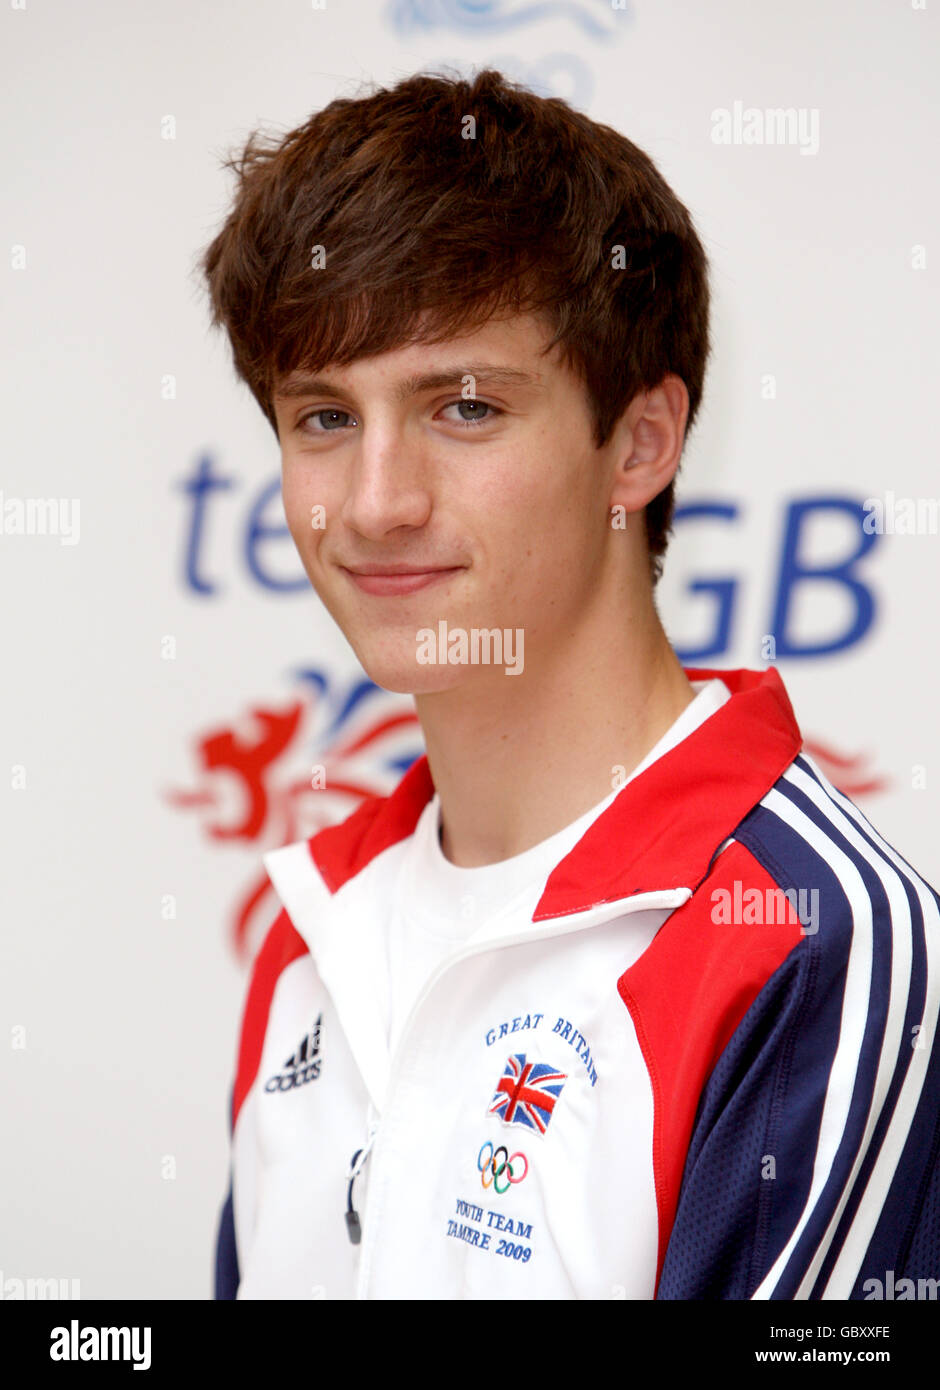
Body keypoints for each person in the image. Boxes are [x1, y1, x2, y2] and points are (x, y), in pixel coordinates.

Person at [199, 67, 940, 1300]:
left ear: (640, 443)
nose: (377, 504)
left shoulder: (817, 940)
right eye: (323, 417)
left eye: (466, 406)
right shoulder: (309, 935)